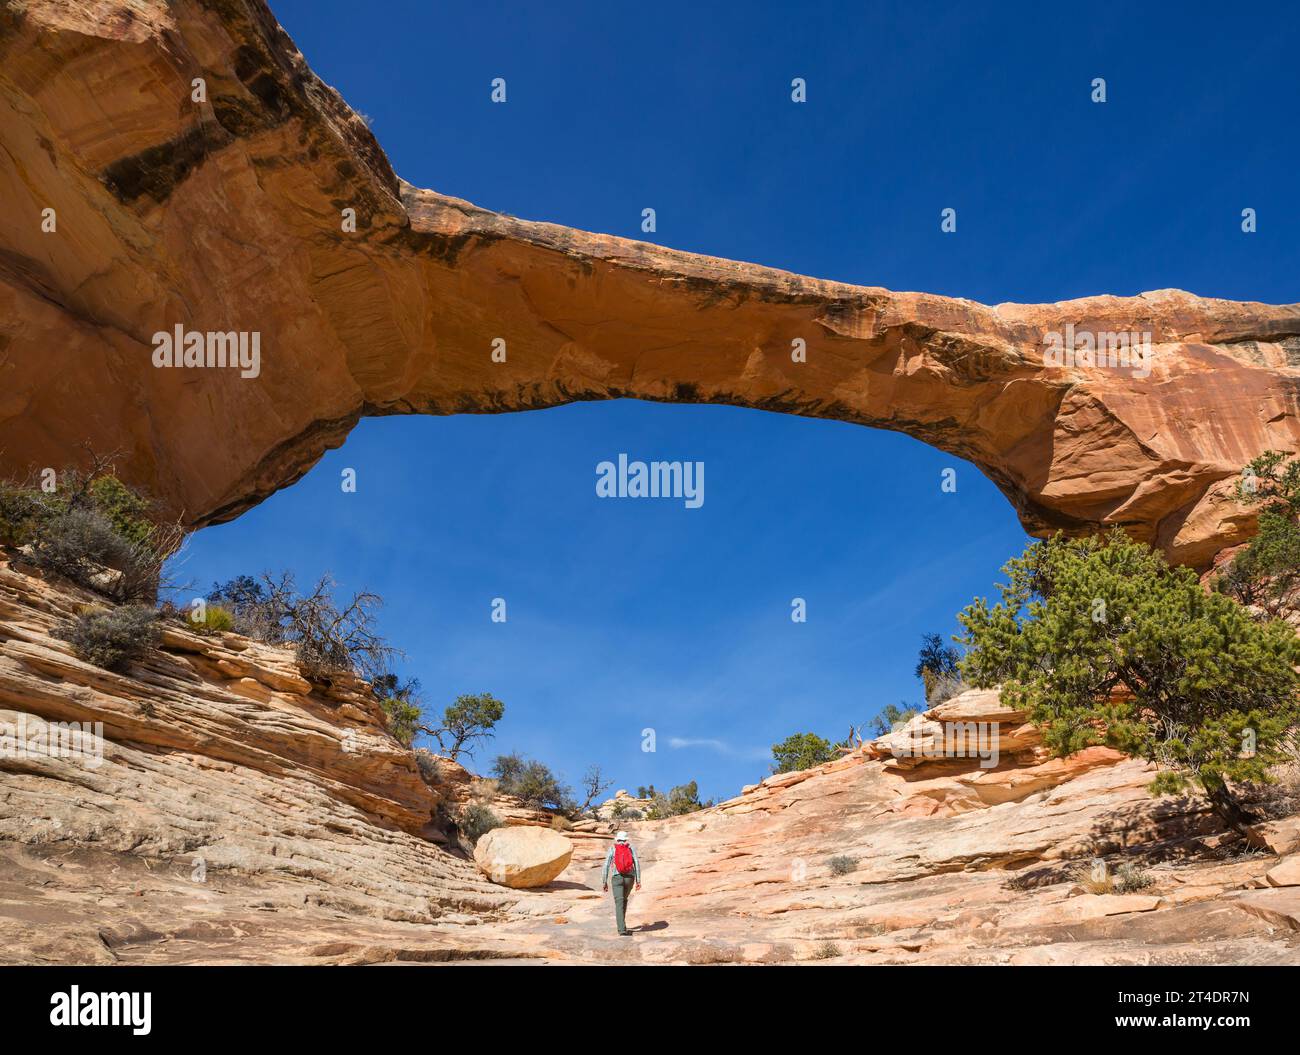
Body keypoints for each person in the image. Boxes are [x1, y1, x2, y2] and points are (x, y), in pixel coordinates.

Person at [600, 830, 642, 936]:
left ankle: (622, 929)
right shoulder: (630, 848)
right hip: (630, 878)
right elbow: (636, 862)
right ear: (626, 839)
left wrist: (604, 881)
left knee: (619, 902)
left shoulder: (612, 848)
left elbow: (606, 865)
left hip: (617, 877)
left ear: (617, 839)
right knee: (624, 900)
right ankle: (622, 924)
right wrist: (638, 880)